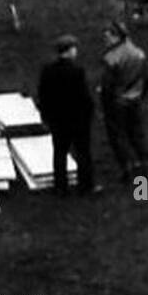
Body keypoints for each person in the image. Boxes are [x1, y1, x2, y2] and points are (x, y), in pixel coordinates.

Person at [36, 35, 98, 197]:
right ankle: (86, 186)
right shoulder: (77, 71)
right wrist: (90, 112)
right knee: (83, 152)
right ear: (70, 51)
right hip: (78, 120)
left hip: (57, 120)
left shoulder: (47, 71)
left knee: (59, 153)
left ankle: (60, 187)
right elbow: (84, 97)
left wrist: (46, 116)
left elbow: (43, 96)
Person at [100, 21, 148, 181]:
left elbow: (107, 86)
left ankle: (127, 169)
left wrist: (104, 105)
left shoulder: (111, 58)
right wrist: (141, 95)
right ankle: (142, 167)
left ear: (116, 36)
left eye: (107, 37)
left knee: (118, 137)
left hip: (117, 103)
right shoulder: (139, 53)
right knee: (136, 133)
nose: (105, 41)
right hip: (135, 100)